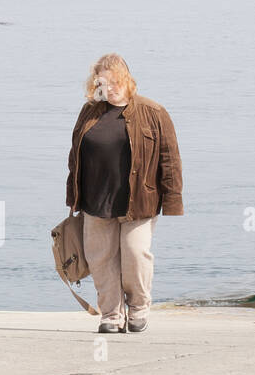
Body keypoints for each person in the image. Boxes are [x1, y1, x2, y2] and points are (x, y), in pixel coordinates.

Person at [65, 54, 183, 334]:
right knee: (101, 259)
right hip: (96, 200)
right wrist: (74, 197)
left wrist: (173, 200)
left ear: (127, 79)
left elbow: (170, 159)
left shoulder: (153, 112)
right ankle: (111, 315)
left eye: (116, 81)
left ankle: (139, 308)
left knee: (135, 253)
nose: (111, 88)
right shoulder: (89, 112)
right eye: (104, 82)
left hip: (139, 201)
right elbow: (74, 156)